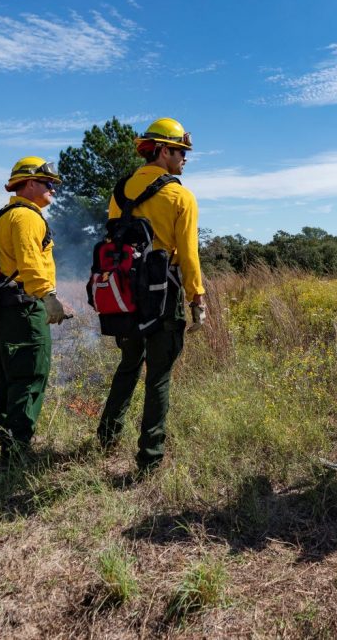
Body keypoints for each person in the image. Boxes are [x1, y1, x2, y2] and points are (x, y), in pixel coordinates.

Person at [96, 117, 205, 477]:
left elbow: (115, 241)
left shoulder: (121, 189)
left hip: (125, 293)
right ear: (162, 150)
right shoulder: (180, 195)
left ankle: (107, 438)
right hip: (164, 293)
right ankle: (150, 458)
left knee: (128, 365)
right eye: (180, 151)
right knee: (158, 375)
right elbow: (189, 255)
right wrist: (197, 298)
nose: (185, 159)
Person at [0, 157, 72, 466]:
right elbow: (29, 262)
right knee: (29, 376)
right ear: (31, 183)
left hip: (3, 309)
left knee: (8, 379)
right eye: (49, 184)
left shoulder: (2, 216)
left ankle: (9, 447)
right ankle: (18, 453)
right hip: (24, 309)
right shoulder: (27, 217)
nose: (53, 190)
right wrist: (47, 296)